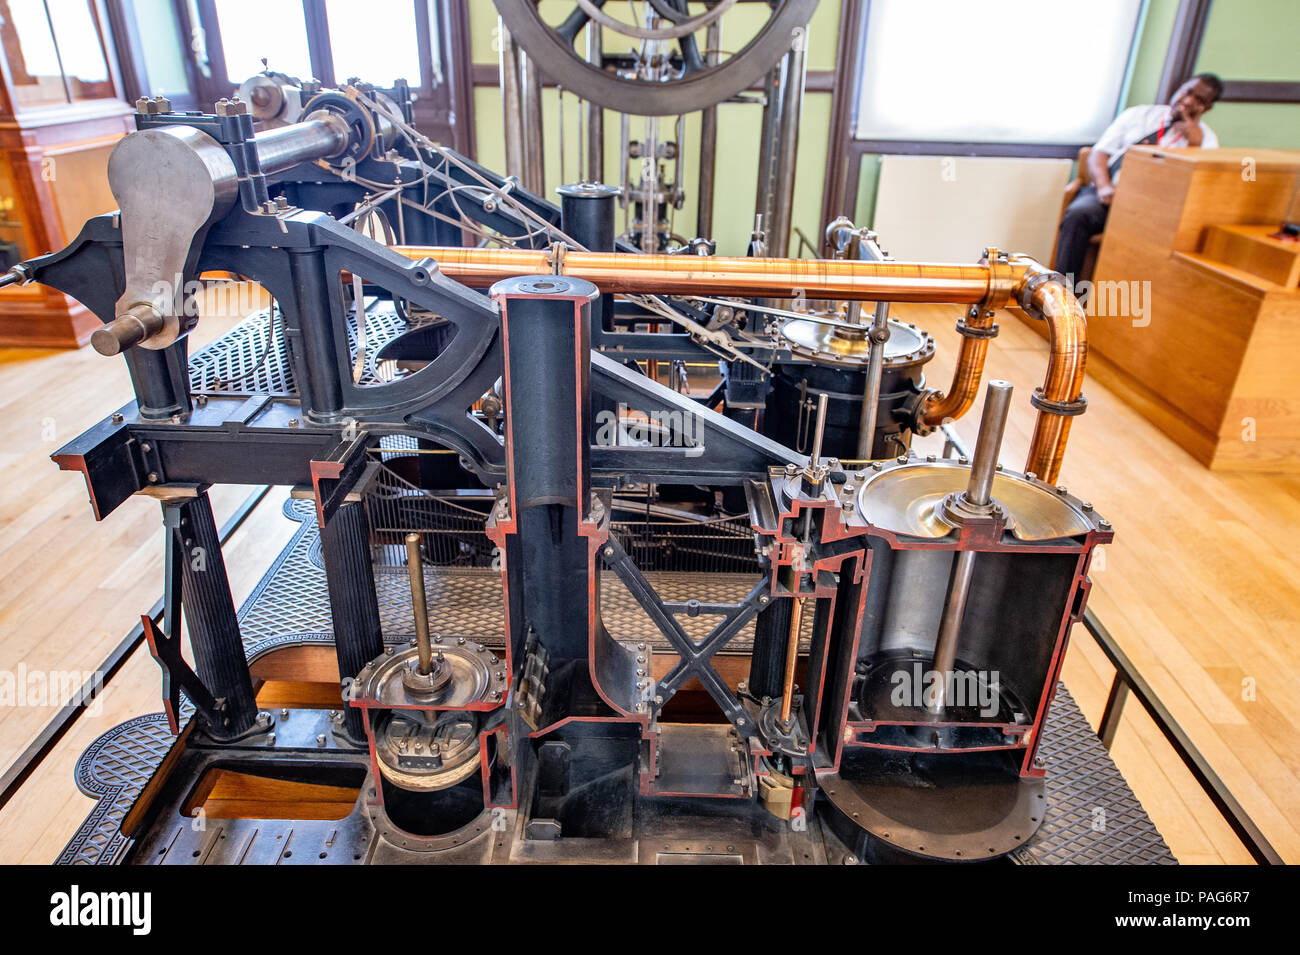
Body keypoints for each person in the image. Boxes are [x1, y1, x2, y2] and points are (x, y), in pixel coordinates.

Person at [1053, 73, 1222, 285]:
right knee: (1078, 216)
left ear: (1207, 108)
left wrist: (1194, 145)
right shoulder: (1139, 115)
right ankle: (1063, 292)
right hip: (1108, 197)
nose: (1188, 101)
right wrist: (1104, 187)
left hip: (1154, 210)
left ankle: (1120, 305)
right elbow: (1099, 154)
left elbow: (1196, 184)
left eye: (1199, 100)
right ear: (1180, 88)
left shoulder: (1206, 139)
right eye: (1188, 92)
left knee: (1163, 237)